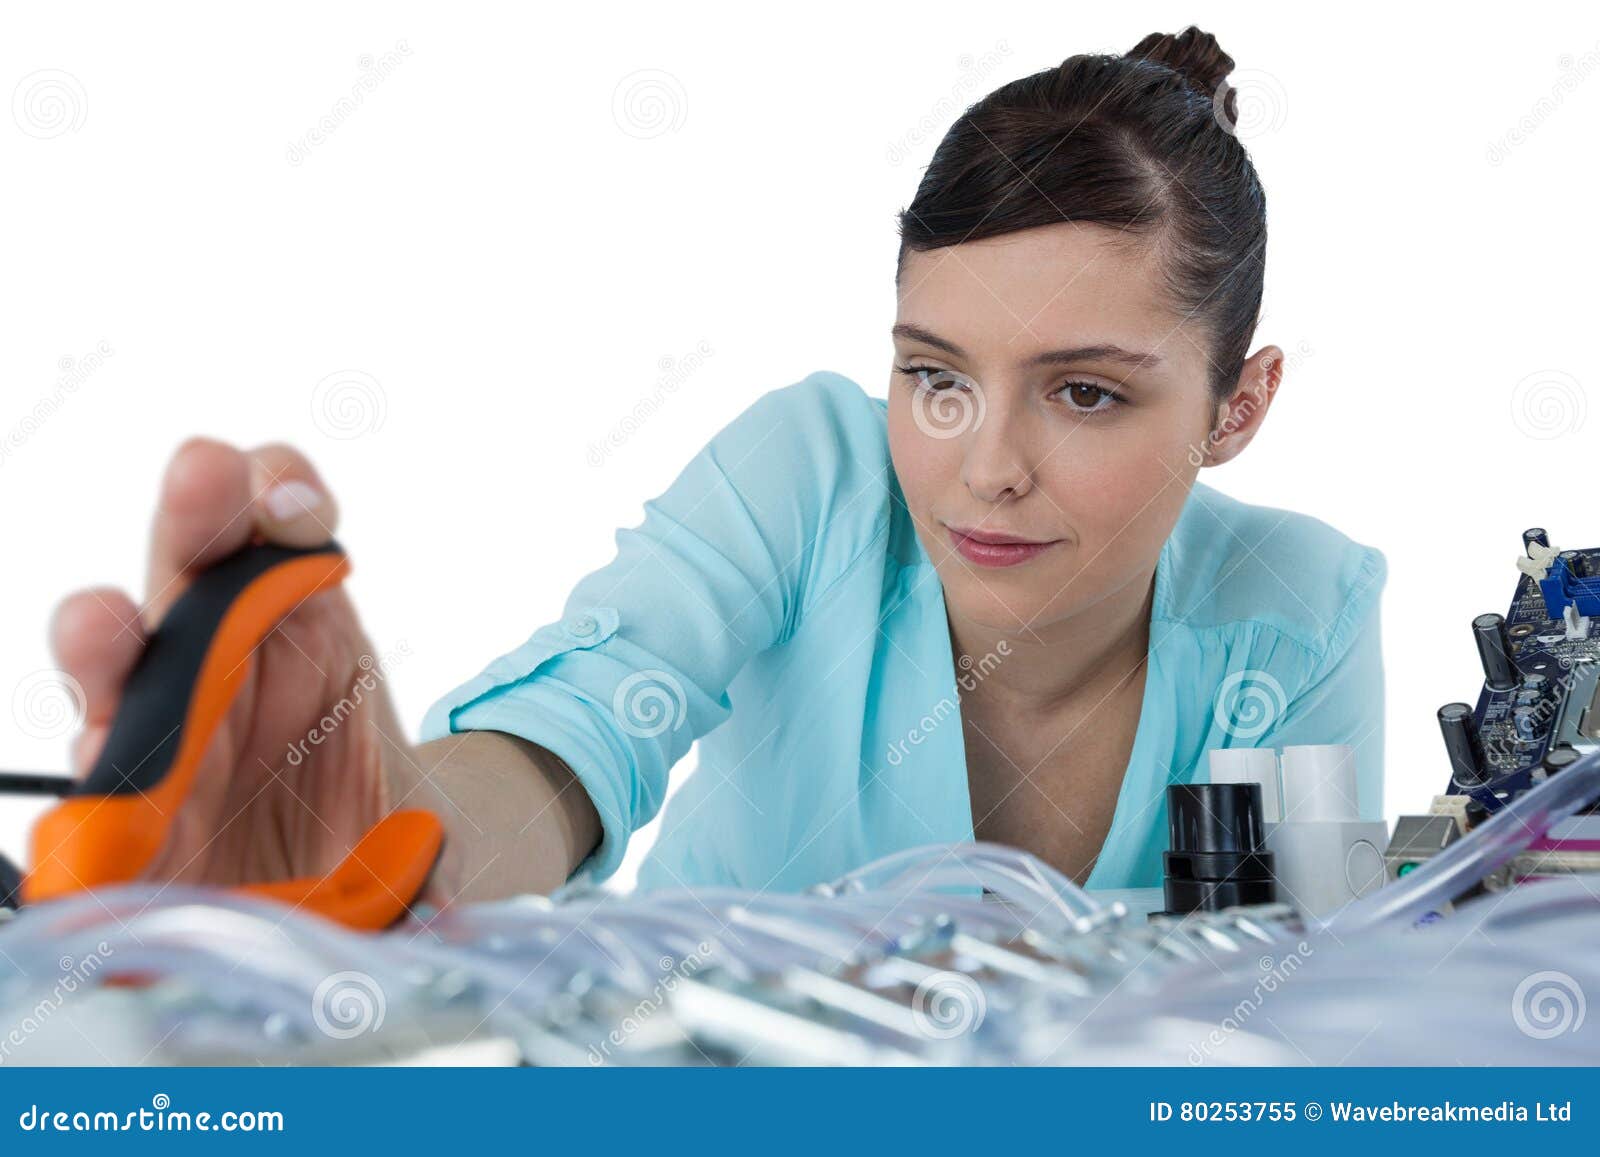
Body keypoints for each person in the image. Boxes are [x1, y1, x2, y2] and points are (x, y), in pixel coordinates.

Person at [47, 27, 1385, 908]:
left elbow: (1307, 1004)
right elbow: (578, 731)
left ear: (1238, 406)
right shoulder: (812, 476)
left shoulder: (1303, 611)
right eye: (936, 377)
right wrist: (398, 839)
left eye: (1084, 394)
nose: (986, 469)